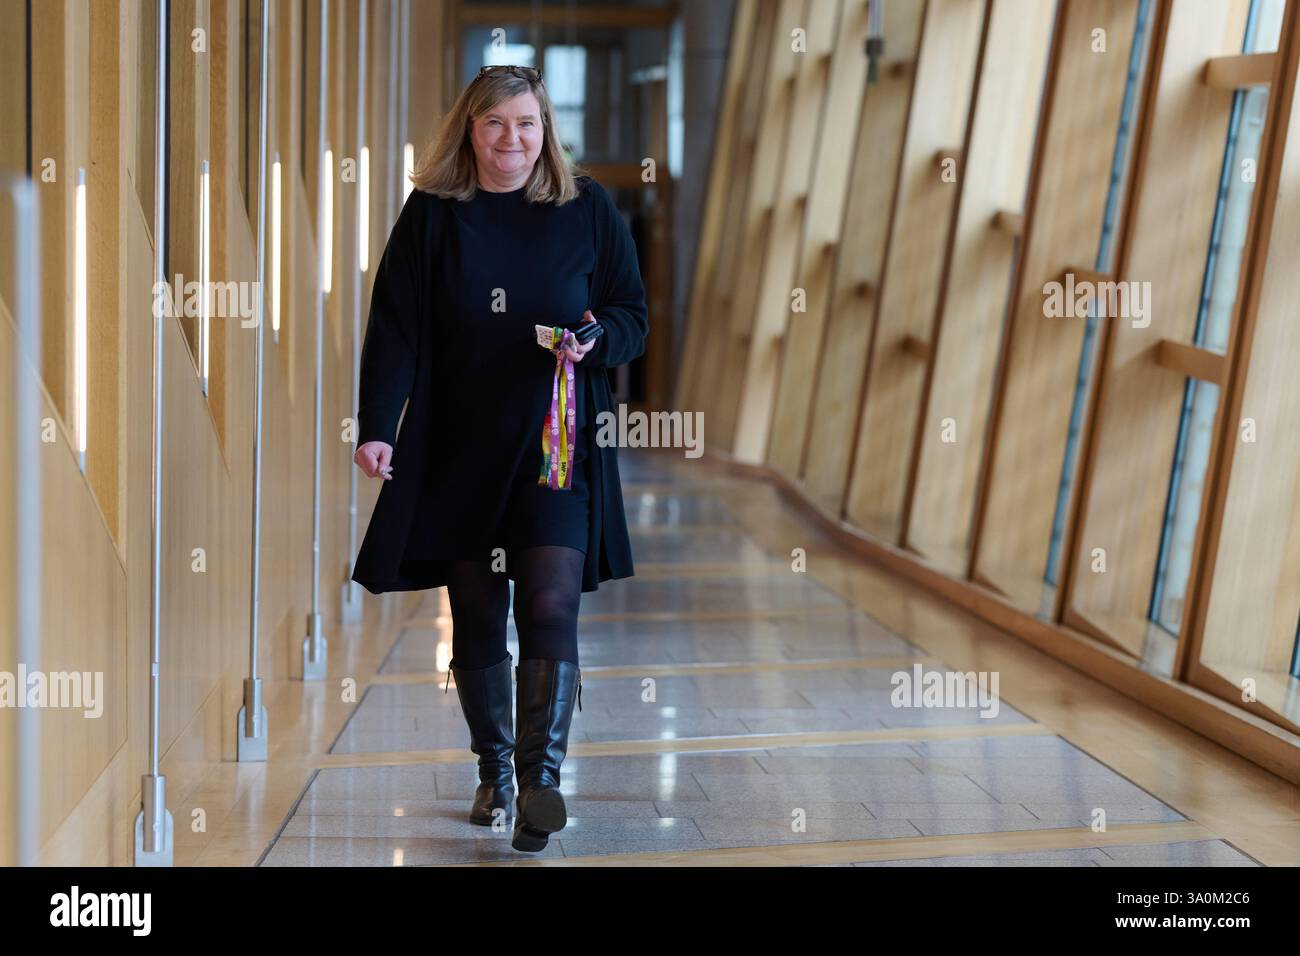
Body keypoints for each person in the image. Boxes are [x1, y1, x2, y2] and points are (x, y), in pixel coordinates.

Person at [349, 64, 649, 853]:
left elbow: (631, 314)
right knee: (478, 611)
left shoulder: (588, 209)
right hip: (458, 444)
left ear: (545, 130)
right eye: (494, 124)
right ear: (469, 130)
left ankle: (540, 781)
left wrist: (598, 340)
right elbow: (397, 326)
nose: (510, 139)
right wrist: (378, 424)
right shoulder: (433, 215)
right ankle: (495, 768)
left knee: (549, 602)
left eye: (525, 123)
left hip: (557, 446)